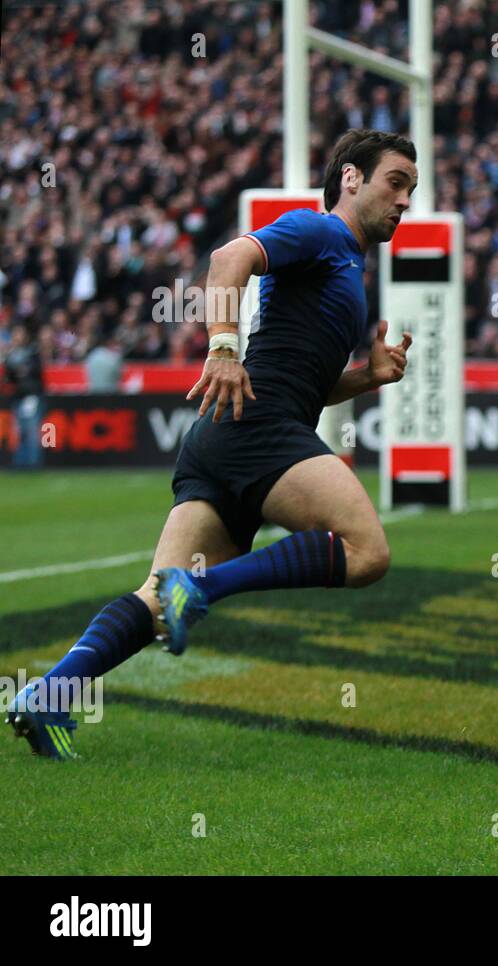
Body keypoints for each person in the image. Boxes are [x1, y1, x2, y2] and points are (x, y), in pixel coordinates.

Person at [7, 129, 417, 760]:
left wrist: (367, 377)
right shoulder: (323, 231)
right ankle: (201, 593)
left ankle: (48, 695)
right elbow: (229, 259)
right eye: (396, 182)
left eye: (412, 190)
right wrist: (223, 347)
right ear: (352, 179)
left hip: (230, 436)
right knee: (367, 553)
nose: (405, 200)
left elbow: (303, 382)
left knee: (154, 594)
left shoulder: (345, 264)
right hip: (262, 430)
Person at [3, 324, 46, 468]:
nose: (17, 337)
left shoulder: (32, 353)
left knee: (32, 431)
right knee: (19, 431)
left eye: (20, 334)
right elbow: (10, 376)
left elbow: (36, 372)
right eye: (15, 334)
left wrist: (21, 371)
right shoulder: (12, 355)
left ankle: (33, 462)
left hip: (32, 396)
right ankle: (20, 462)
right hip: (18, 397)